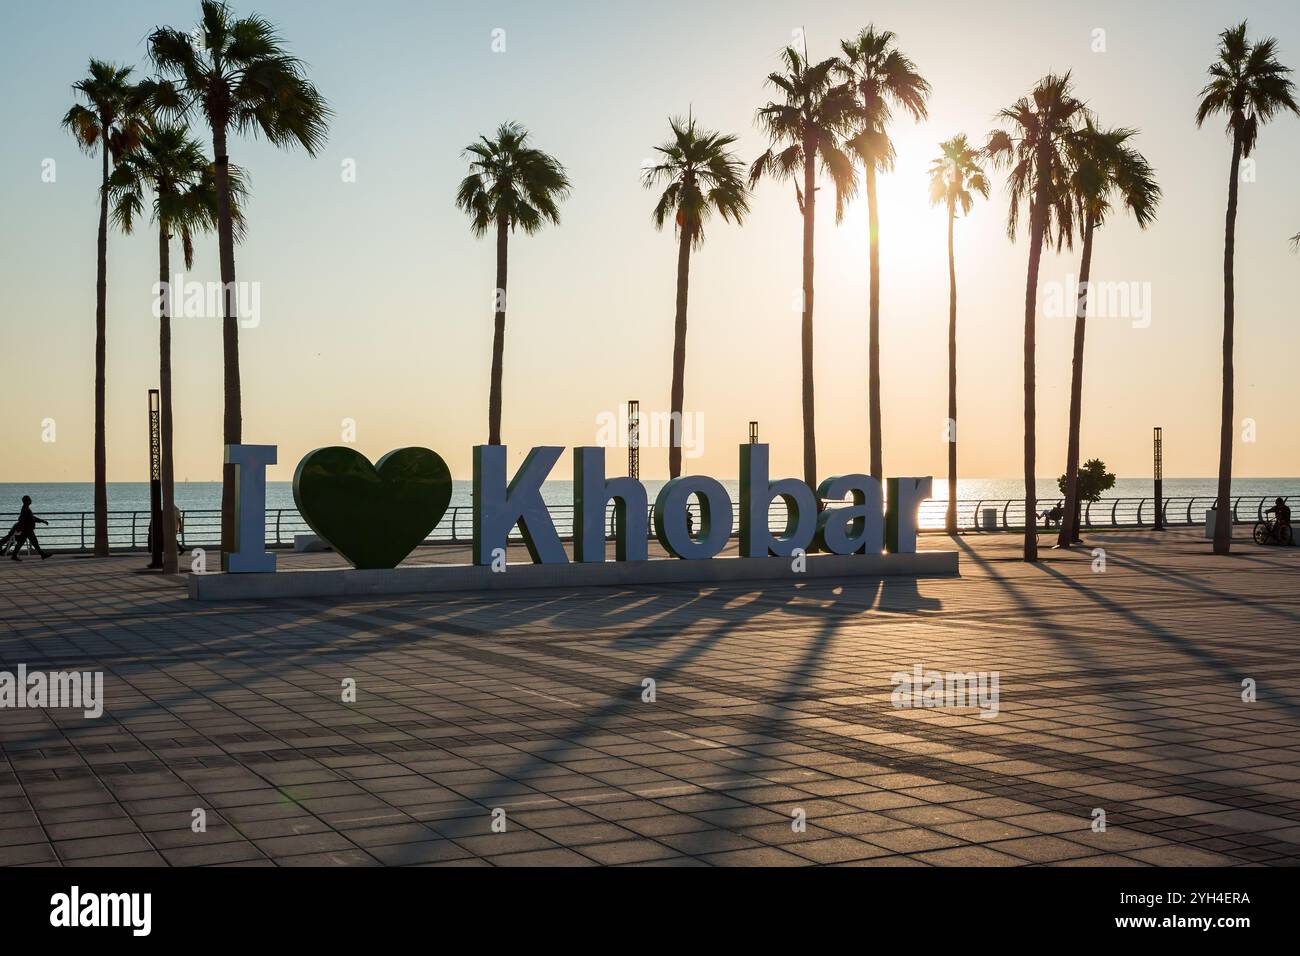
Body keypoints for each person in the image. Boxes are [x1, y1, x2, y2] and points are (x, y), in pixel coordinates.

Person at [9, 495, 50, 561]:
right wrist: (42, 521)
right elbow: (23, 519)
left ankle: (14, 555)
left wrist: (42, 521)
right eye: (29, 499)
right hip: (27, 529)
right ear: (26, 501)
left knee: (23, 542)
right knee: (33, 542)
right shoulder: (25, 509)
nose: (31, 500)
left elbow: (32, 518)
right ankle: (43, 555)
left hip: (27, 529)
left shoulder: (26, 508)